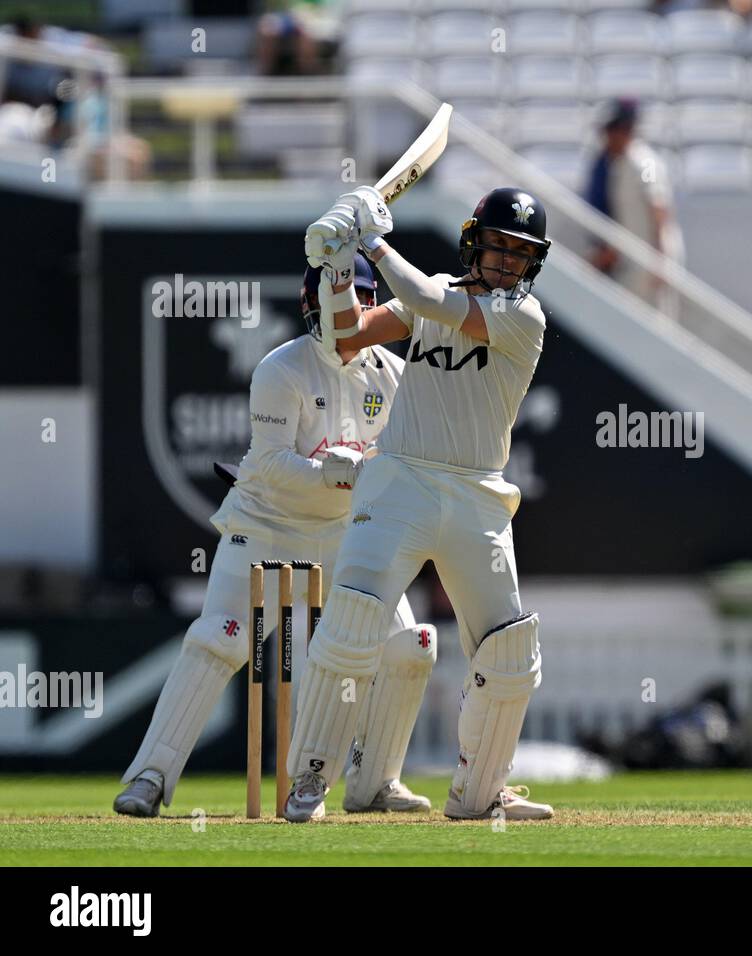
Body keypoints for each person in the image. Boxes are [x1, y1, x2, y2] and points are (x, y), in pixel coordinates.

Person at [114, 254, 437, 818]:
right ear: (313, 305)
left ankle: (375, 783)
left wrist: (374, 478)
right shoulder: (281, 369)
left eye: (361, 300)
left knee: (409, 647)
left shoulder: (393, 375)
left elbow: (408, 461)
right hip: (265, 525)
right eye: (339, 299)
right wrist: (346, 472)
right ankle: (149, 775)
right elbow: (270, 467)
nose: (350, 310)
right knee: (221, 639)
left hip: (347, 535)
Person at [282, 184, 554, 822]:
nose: (508, 260)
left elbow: (431, 299)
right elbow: (345, 337)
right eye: (498, 246)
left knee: (509, 650)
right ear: (474, 242)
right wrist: (336, 267)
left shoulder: (524, 318)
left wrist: (370, 240)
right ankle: (311, 779)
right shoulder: (431, 290)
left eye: (521, 252)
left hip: (478, 497)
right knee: (352, 624)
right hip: (400, 480)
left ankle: (479, 793)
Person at [584, 99, 684, 322]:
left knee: (659, 327)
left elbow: (658, 208)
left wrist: (660, 262)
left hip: (652, 258)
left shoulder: (645, 163)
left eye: (611, 130)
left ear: (624, 130)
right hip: (634, 260)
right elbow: (627, 221)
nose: (606, 137)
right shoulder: (618, 164)